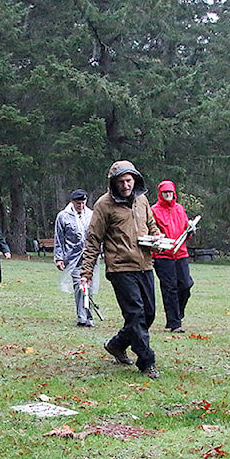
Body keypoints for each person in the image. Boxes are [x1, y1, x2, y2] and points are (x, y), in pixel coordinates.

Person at [80, 160, 163, 378]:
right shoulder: (103, 205)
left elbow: (151, 224)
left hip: (145, 264)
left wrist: (156, 237)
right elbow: (93, 240)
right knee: (135, 315)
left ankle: (117, 344)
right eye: (121, 182)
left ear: (135, 179)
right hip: (120, 268)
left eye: (128, 181)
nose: (126, 186)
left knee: (149, 314)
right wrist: (86, 272)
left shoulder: (142, 199)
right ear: (113, 183)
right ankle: (147, 362)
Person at [151, 181, 195, 333]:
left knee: (186, 285)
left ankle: (177, 313)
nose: (168, 195)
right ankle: (174, 323)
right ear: (160, 194)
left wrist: (189, 231)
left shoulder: (180, 209)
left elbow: (184, 230)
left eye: (170, 192)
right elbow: (152, 232)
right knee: (170, 288)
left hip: (181, 253)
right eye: (165, 192)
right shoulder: (154, 211)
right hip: (163, 255)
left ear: (174, 193)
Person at [54, 189, 95, 327]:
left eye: (83, 203)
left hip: (89, 257)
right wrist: (59, 258)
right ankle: (82, 316)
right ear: (72, 202)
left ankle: (88, 315)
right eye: (78, 203)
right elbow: (59, 238)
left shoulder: (91, 215)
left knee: (89, 286)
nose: (81, 206)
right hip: (73, 258)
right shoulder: (63, 216)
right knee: (79, 285)